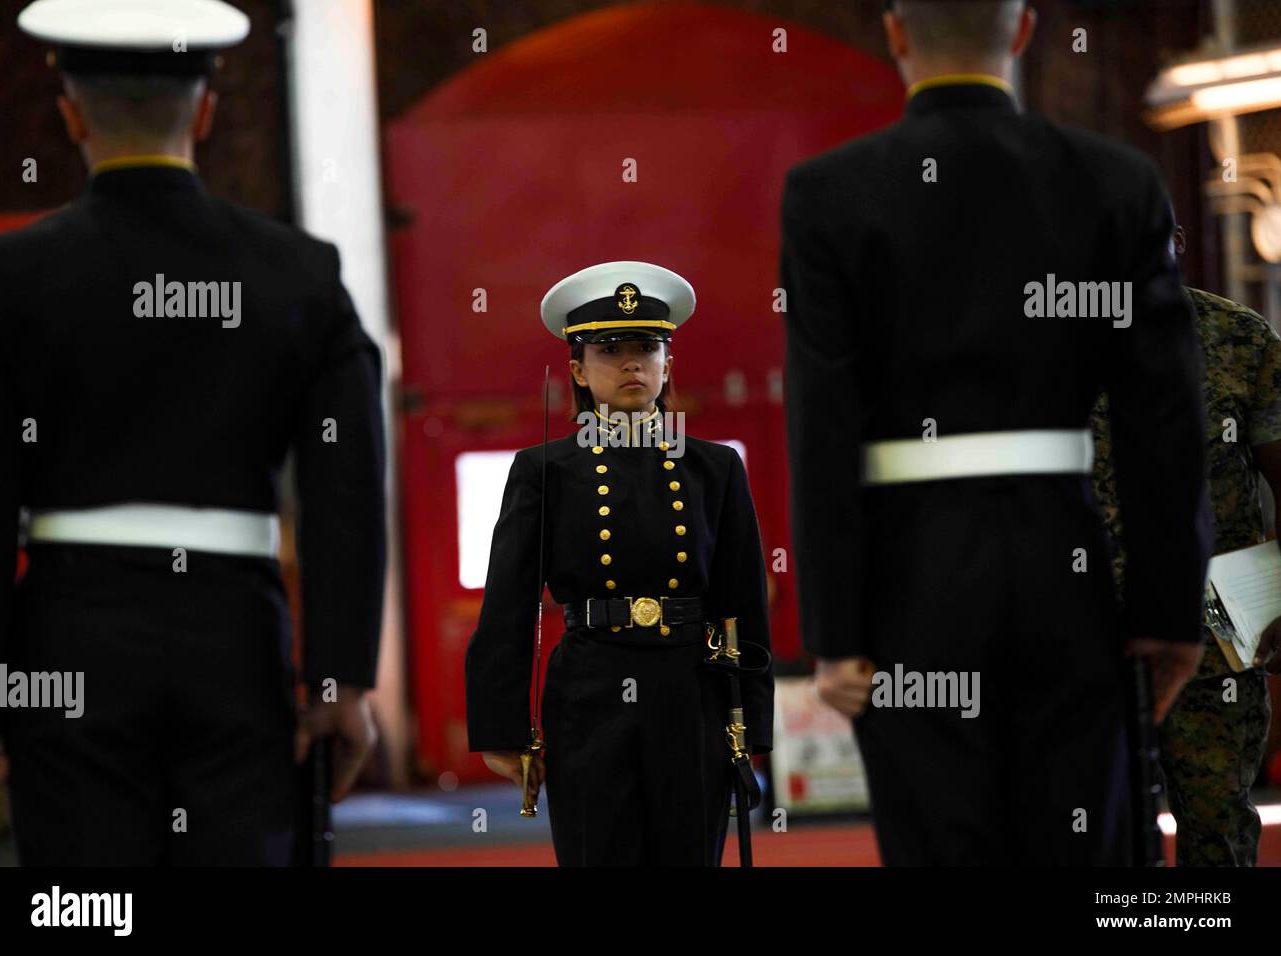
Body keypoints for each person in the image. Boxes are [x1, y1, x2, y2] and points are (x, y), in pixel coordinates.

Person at [781, 0, 1211, 864]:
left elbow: (822, 422)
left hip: (912, 581)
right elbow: (1162, 413)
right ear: (1022, 32)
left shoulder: (827, 192)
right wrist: (1170, 612)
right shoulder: (1115, 178)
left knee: (942, 839)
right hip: (1066, 560)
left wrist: (836, 634)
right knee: (1084, 841)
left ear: (897, 34)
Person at [0, 0, 386, 865]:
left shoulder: (4, 279)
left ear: (70, 114)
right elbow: (344, 485)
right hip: (235, 642)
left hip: (67, 639)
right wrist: (340, 678)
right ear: (204, 112)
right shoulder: (301, 274)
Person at [465, 261, 774, 865]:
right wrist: (501, 727)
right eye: (610, 350)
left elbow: (743, 603)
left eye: (646, 347)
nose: (632, 363)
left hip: (692, 694)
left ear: (668, 363)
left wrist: (753, 726)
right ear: (577, 369)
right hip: (590, 691)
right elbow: (508, 602)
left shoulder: (714, 469)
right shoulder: (544, 470)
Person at [1092, 224, 1280, 866]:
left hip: (1216, 634)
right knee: (1099, 831)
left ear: (1177, 238)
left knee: (1217, 832)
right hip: (1087, 637)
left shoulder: (1237, 337)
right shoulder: (1048, 349)